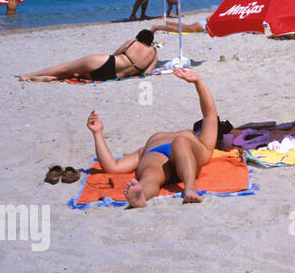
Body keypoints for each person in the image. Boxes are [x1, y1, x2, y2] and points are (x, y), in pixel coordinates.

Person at [85, 67, 217, 208]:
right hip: (156, 155)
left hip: (178, 152)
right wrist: (97, 133)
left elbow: (210, 115)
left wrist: (199, 82)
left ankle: (189, 188)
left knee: (180, 143)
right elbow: (113, 167)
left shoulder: (202, 145)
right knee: (149, 177)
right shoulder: (193, 141)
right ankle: (141, 195)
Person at [20, 30, 159, 82]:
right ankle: (50, 78)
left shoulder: (132, 43)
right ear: (151, 42)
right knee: (74, 73)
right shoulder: (154, 54)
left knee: (65, 67)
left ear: (139, 37)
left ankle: (29, 74)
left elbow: (115, 54)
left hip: (108, 62)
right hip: (110, 76)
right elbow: (146, 73)